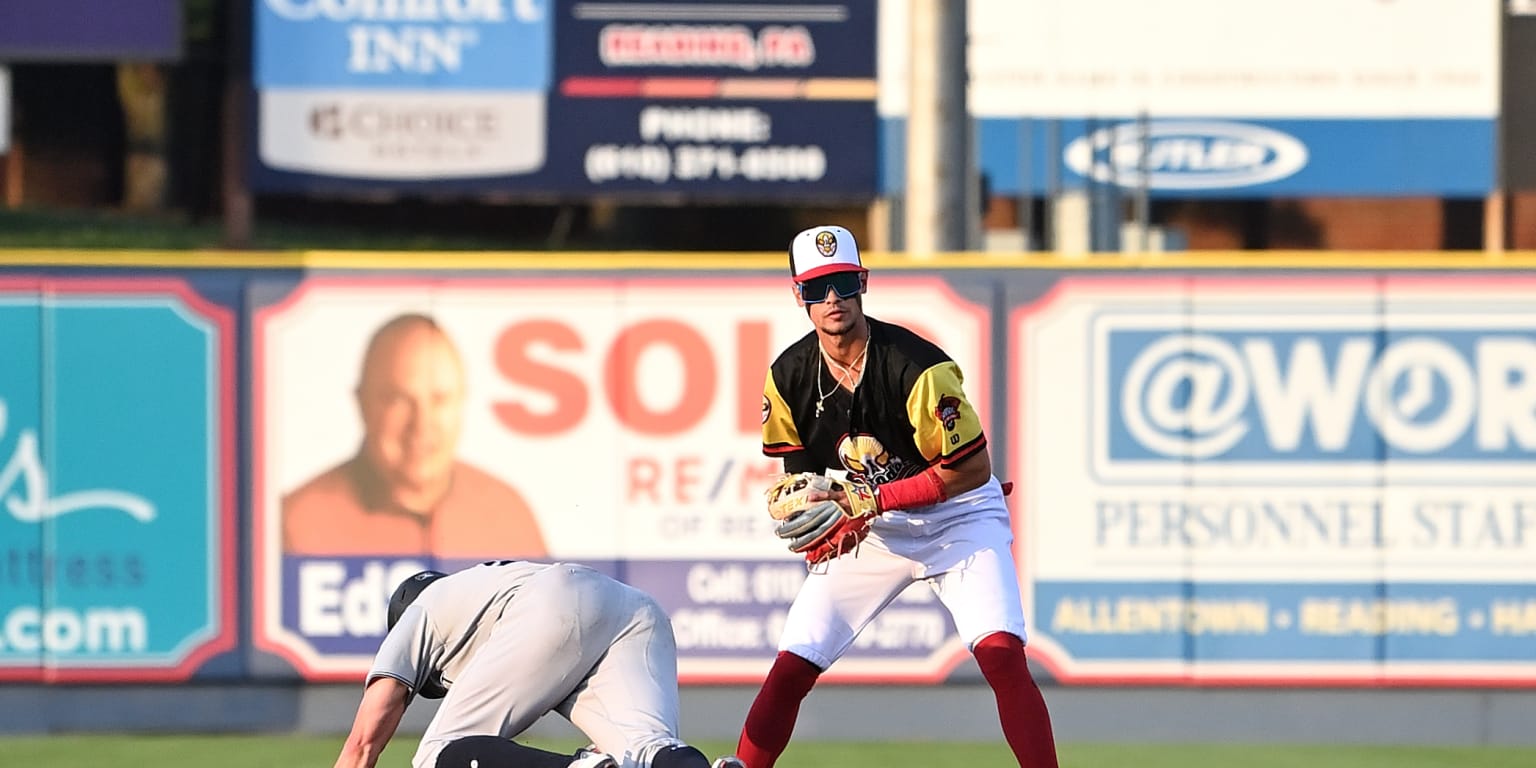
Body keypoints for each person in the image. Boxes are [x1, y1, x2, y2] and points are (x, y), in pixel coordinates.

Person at [729, 226, 1059, 768]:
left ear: (862, 282)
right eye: (817, 288)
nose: (831, 299)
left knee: (1001, 656)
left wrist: (868, 504)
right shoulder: (787, 377)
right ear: (798, 296)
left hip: (958, 517)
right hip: (878, 528)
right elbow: (803, 477)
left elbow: (974, 470)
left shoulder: (917, 367)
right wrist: (826, 517)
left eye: (841, 283)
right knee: (793, 664)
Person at [334, 560, 745, 768]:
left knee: (434, 758)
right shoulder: (476, 597)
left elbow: (362, 745)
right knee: (644, 752)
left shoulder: (417, 612)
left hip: (554, 602)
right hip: (636, 609)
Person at [283, 313, 547, 559]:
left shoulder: (510, 515)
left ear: (461, 401)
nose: (422, 424)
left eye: (440, 399)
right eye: (399, 400)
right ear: (362, 403)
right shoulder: (294, 525)